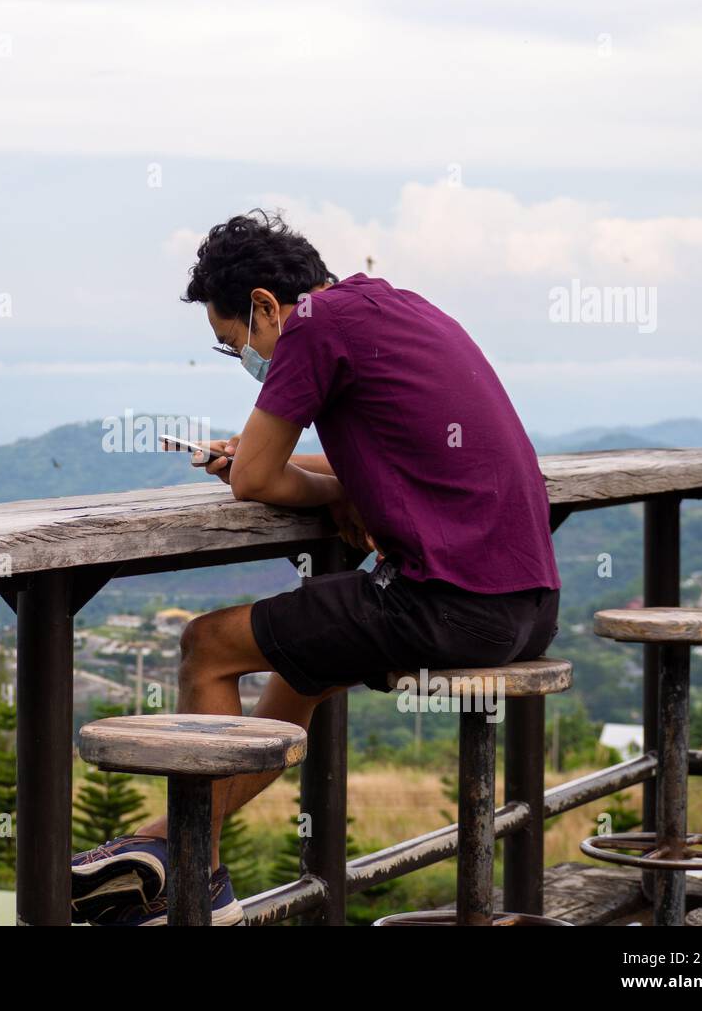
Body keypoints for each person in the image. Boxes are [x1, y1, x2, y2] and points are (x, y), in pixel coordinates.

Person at [71, 209, 561, 926]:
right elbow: (368, 463)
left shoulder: (310, 328)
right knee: (293, 684)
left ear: (266, 305)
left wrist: (262, 463)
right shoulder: (393, 306)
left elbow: (256, 480)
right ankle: (168, 844)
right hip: (527, 606)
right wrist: (313, 477)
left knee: (207, 647)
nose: (245, 360)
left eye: (233, 343)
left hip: (447, 603)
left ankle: (198, 880)